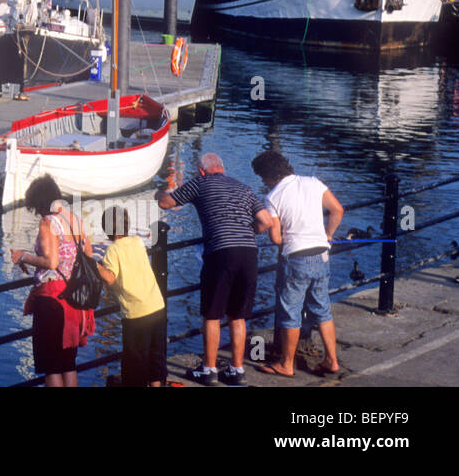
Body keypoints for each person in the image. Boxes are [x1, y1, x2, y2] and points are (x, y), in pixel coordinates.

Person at [157, 152, 275, 386]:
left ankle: (209, 370)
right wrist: (244, 232)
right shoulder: (243, 187)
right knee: (238, 316)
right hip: (248, 253)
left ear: (201, 171)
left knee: (212, 314)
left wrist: (158, 192)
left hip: (220, 253)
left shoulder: (200, 183)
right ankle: (236, 370)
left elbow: (167, 203)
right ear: (222, 168)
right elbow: (266, 221)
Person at [251, 149, 343, 377]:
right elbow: (337, 209)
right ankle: (331, 359)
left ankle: (286, 363)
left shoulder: (272, 197)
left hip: (296, 258)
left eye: (262, 178)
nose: (263, 182)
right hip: (321, 254)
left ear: (269, 176)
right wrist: (328, 234)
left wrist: (284, 246)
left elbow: (276, 237)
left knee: (289, 312)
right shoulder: (313, 182)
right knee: (321, 309)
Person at [9, 175, 94, 387]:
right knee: (68, 363)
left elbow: (52, 261)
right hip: (74, 299)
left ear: (39, 203)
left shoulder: (48, 222)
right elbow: (89, 255)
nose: (36, 212)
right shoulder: (75, 220)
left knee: (51, 366)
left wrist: (24, 257)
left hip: (52, 300)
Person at [95, 205, 166, 387]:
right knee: (155, 356)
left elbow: (110, 277)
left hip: (136, 313)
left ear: (107, 230)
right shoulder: (137, 242)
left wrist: (96, 266)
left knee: (135, 361)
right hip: (156, 305)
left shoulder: (113, 251)